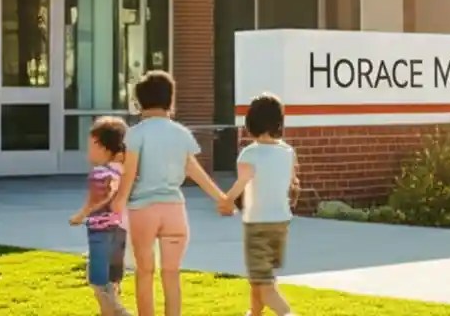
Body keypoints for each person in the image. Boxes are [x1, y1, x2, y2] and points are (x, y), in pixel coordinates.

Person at [112, 71, 228, 316]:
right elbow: (195, 171)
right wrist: (222, 198)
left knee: (144, 273)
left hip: (143, 210)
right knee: (172, 275)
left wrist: (117, 203)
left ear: (139, 101)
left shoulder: (136, 134)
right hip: (175, 211)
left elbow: (129, 174)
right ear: (170, 99)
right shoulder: (181, 133)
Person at [222, 93, 299, 316]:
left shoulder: (249, 154)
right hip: (281, 224)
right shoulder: (288, 152)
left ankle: (287, 313)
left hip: (258, 226)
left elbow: (242, 184)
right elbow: (293, 183)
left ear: (251, 123)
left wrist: (226, 201)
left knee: (264, 285)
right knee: (260, 278)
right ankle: (254, 313)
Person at [70, 116, 132, 316]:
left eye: (90, 146)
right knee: (113, 273)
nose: (88, 152)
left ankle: (116, 311)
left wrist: (81, 214)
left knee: (97, 275)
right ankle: (111, 309)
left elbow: (98, 197)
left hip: (100, 230)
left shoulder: (100, 172)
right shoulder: (125, 171)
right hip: (121, 229)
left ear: (102, 146)